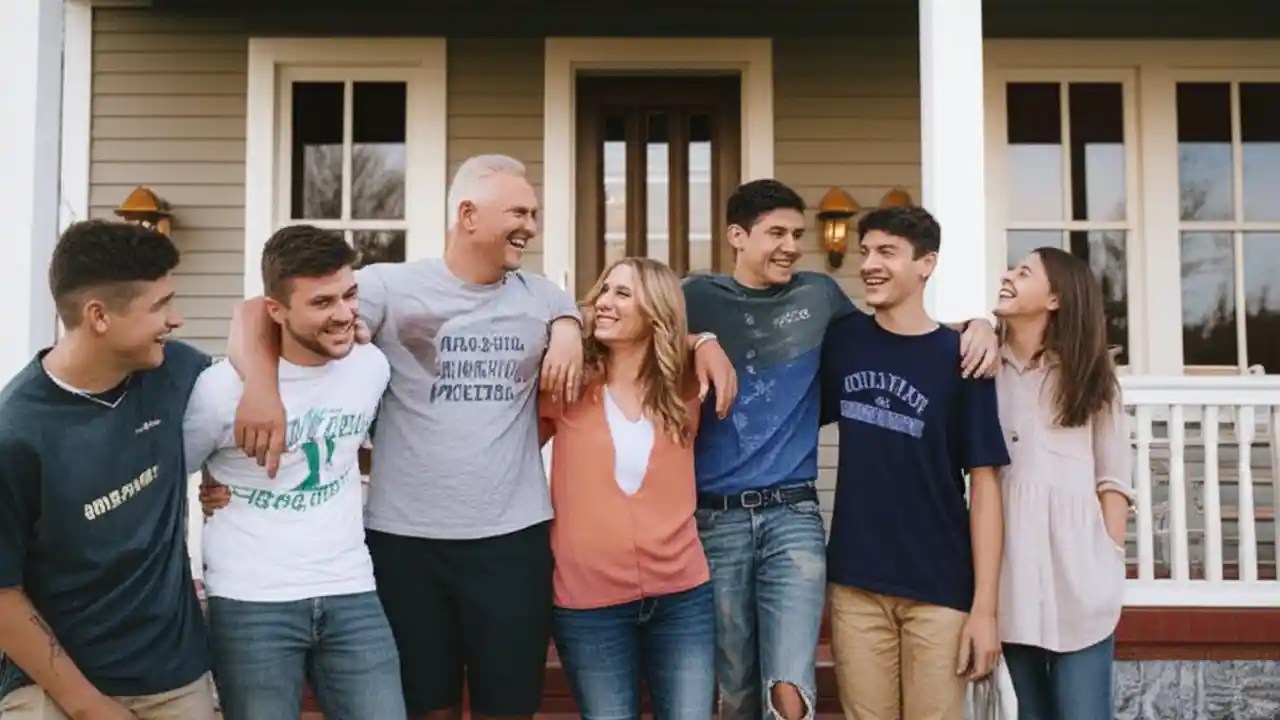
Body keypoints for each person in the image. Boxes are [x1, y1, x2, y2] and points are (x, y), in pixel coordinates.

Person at [228, 154, 736, 720]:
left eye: (535, 213)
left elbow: (646, 334)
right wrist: (261, 387)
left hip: (510, 543)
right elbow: (259, 312)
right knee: (430, 707)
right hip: (406, 543)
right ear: (468, 214)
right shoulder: (388, 287)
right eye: (518, 211)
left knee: (508, 708)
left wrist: (692, 338)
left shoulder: (546, 300)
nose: (531, 226)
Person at [683, 180, 1000, 720]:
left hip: (814, 524)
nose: (791, 245)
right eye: (776, 232)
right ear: (737, 236)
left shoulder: (824, 301)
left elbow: (905, 338)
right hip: (736, 527)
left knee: (787, 691)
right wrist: (700, 341)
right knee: (734, 687)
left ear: (927, 263)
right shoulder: (699, 299)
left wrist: (981, 325)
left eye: (797, 234)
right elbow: (631, 330)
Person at [184, 226, 405, 719]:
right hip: (250, 599)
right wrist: (207, 486)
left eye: (350, 295)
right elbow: (176, 469)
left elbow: (351, 450)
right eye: (322, 302)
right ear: (277, 310)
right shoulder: (220, 390)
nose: (345, 313)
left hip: (351, 588)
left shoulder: (371, 368)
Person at [0, 220, 216, 720]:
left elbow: (257, 336)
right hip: (53, 687)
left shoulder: (175, 371)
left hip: (175, 679)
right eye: (159, 306)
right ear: (98, 315)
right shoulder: (15, 433)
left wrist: (219, 474)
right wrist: (89, 707)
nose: (176, 319)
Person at [820, 205, 1008, 720]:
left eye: (887, 252)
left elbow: (986, 485)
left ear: (926, 264)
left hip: (939, 590)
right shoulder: (843, 341)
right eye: (864, 252)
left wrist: (985, 609)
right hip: (856, 583)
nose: (869, 264)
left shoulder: (962, 359)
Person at [540, 258, 715, 720]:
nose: (604, 303)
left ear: (655, 311)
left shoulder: (687, 385)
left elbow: (690, 344)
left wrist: (707, 341)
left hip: (682, 597)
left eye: (622, 294)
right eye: (604, 291)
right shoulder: (568, 383)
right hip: (588, 604)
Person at [992, 247, 1133, 720]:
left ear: (1055, 298)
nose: (1007, 276)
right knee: (1034, 713)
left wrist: (1109, 560)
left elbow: (1113, 479)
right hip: (1011, 571)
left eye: (1023, 272)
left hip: (1081, 575)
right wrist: (971, 326)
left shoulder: (1092, 377)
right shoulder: (982, 367)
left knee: (1083, 713)